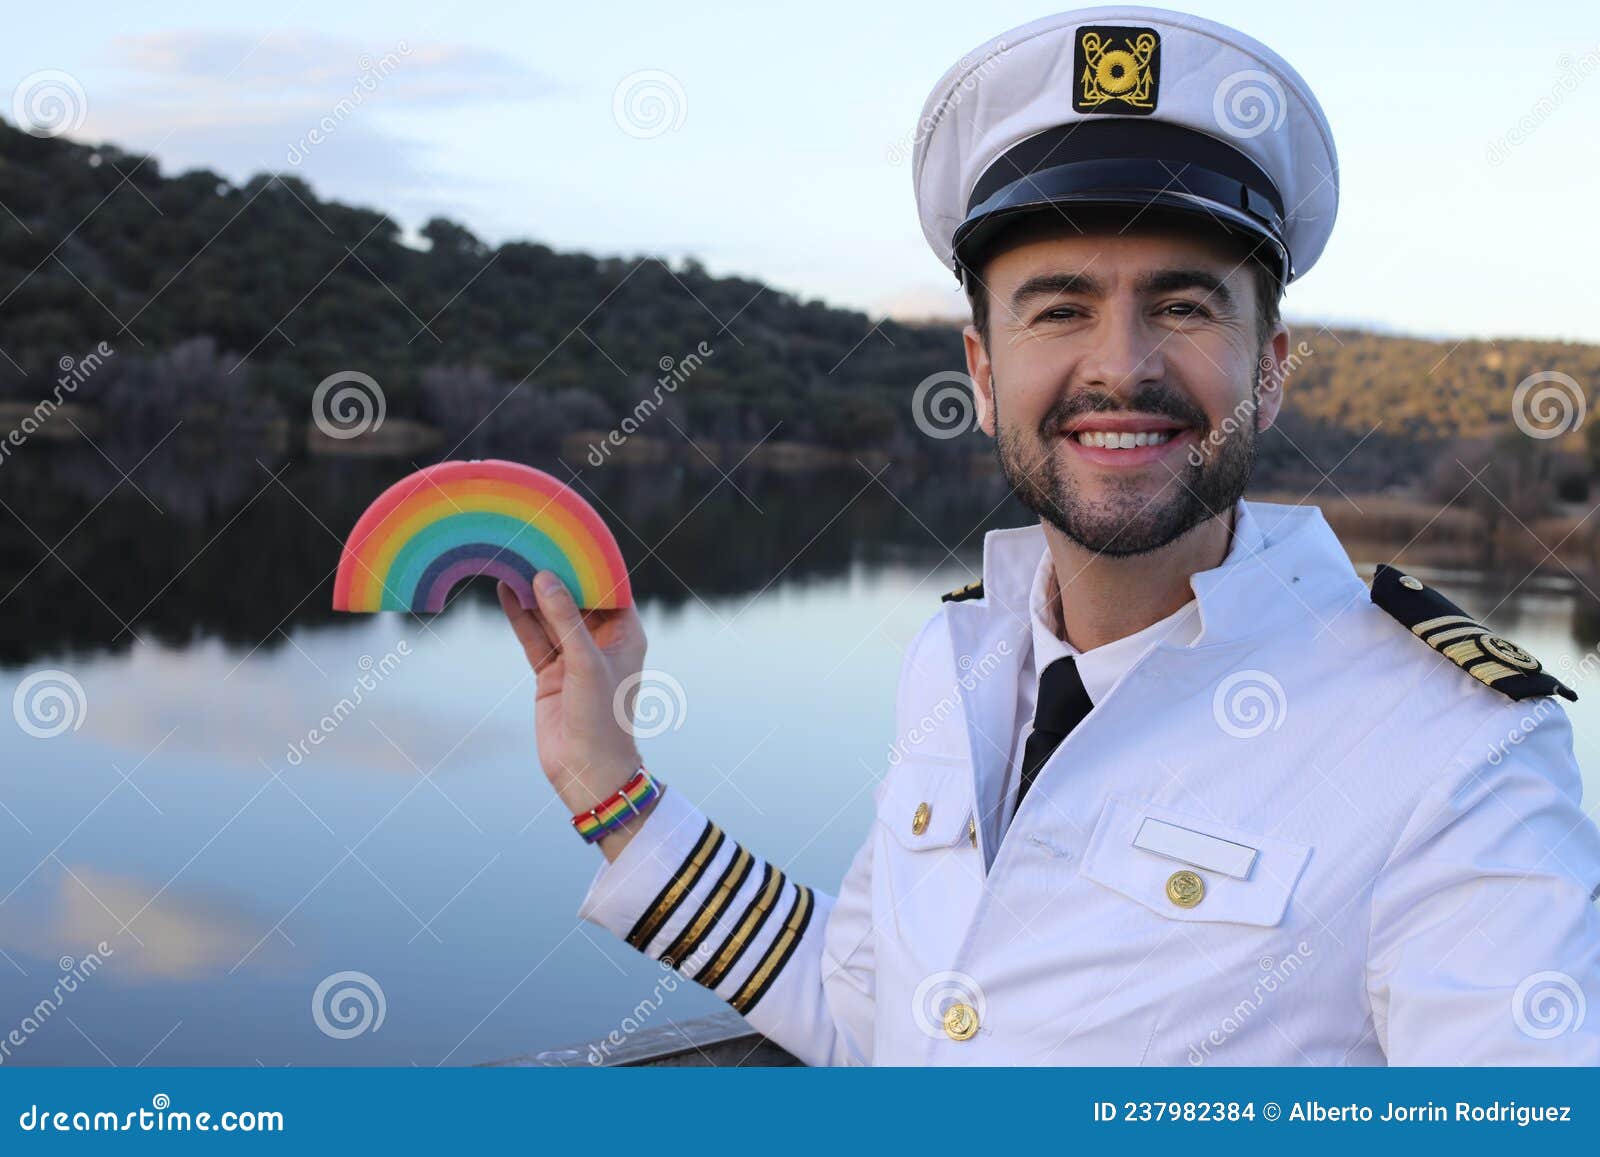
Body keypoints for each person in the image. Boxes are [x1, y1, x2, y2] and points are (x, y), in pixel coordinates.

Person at [498, 6, 1600, 1064]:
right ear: (983, 373)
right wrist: (612, 786)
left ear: (1268, 370)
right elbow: (882, 1022)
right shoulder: (957, 660)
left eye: (1182, 306)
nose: (1120, 366)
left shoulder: (1455, 746)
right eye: (1058, 307)